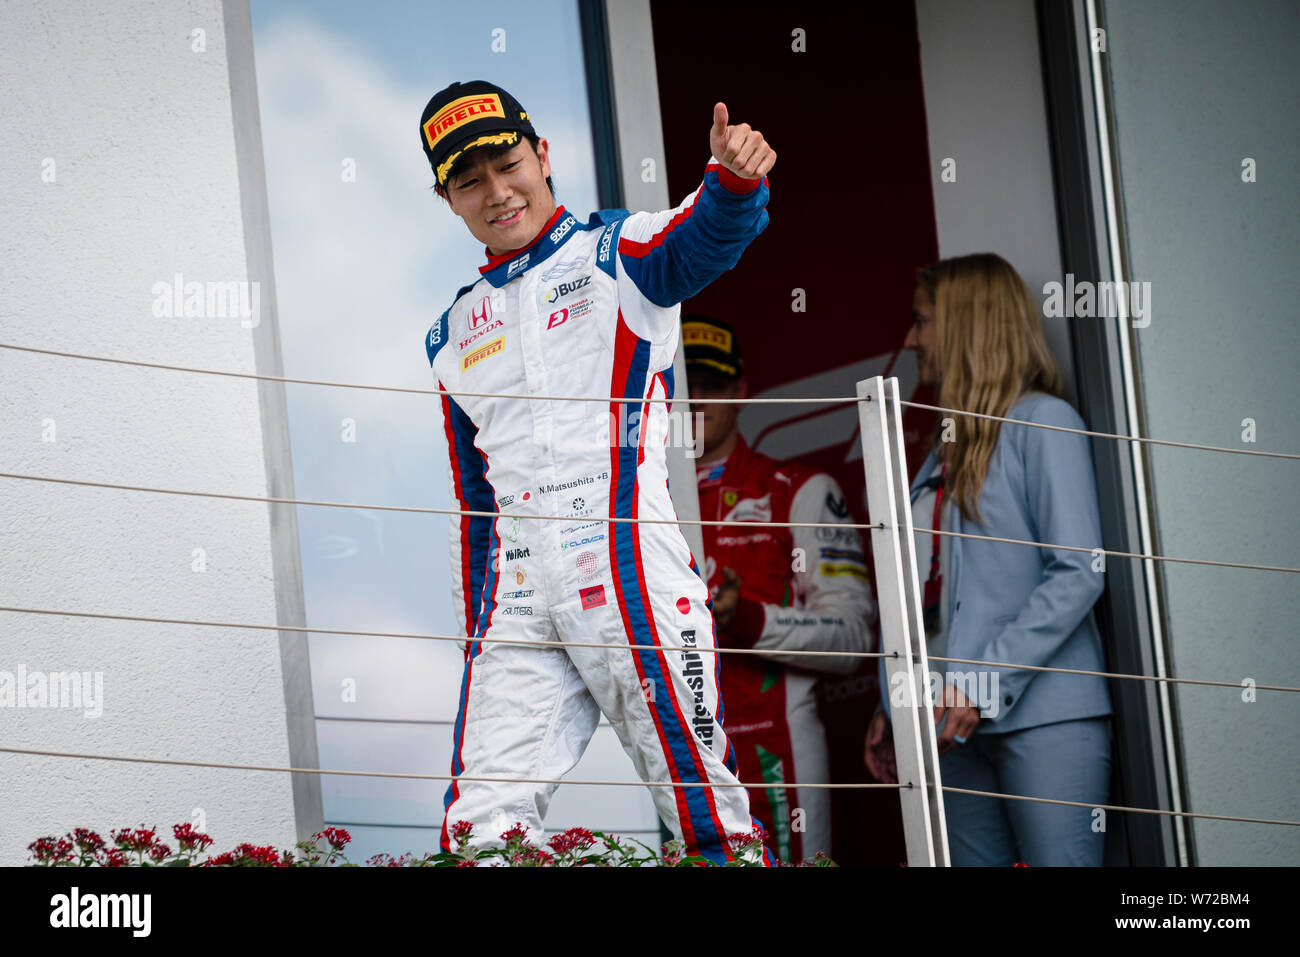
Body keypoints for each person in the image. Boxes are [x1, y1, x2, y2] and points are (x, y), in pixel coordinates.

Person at [419, 80, 778, 864]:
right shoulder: (449, 335)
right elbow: (475, 502)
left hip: (631, 577)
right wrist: (477, 628)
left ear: (543, 155)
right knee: (481, 832)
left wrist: (736, 181)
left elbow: (705, 235)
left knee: (707, 817)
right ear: (447, 198)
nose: (496, 192)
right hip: (517, 601)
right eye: (468, 181)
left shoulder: (617, 251)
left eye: (507, 165)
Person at [864, 253, 1113, 866]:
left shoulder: (1043, 421)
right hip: (950, 722)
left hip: (1044, 715)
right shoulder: (943, 448)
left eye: (922, 321)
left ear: (968, 327)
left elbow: (1080, 570)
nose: (910, 339)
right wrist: (890, 696)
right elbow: (928, 593)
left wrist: (981, 684)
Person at [685, 315, 876, 863]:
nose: (696, 401)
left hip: (777, 743)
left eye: (712, 385)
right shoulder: (644, 510)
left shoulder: (801, 492)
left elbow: (853, 636)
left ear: (742, 390)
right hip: (681, 749)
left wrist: (743, 618)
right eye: (683, 385)